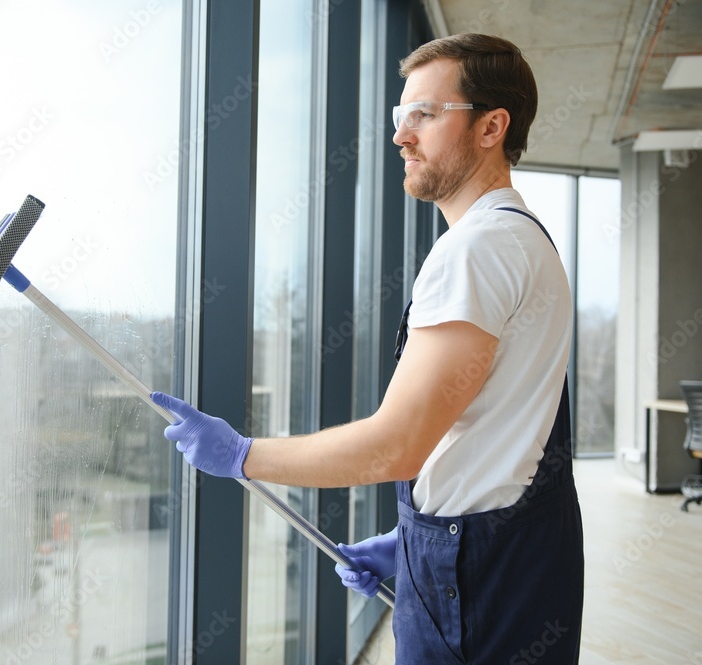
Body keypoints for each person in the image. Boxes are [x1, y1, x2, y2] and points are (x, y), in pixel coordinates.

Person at [151, 33, 583, 664]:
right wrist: (409, 545)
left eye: (425, 116)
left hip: (480, 578)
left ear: (492, 127)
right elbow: (493, 429)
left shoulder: (479, 249)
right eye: (399, 116)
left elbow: (397, 443)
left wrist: (244, 455)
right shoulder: (520, 238)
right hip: (503, 556)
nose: (401, 136)